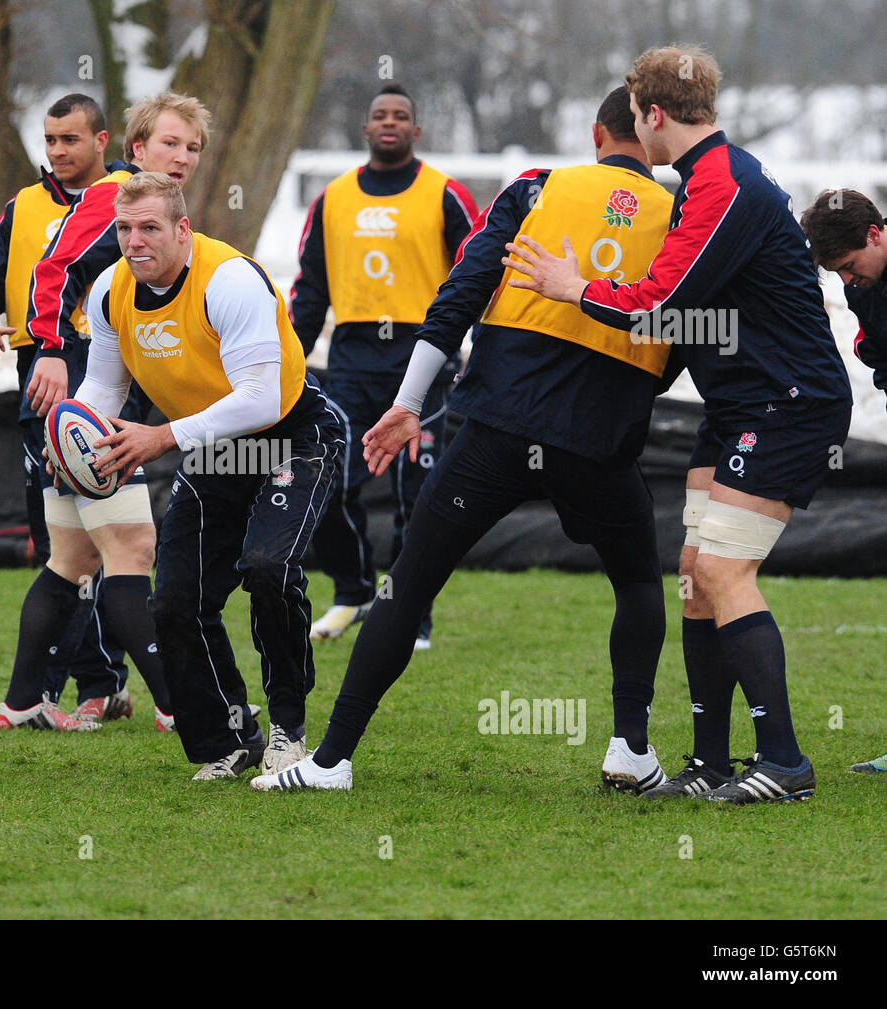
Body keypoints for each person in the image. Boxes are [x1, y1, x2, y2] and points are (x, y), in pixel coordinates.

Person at [251, 87, 675, 794]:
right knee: (637, 582)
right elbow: (686, 333)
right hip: (598, 438)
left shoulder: (539, 189)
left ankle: (330, 760)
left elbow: (458, 298)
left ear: (596, 132)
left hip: (496, 424)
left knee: (409, 583)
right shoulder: (682, 217)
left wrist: (408, 404)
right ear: (655, 139)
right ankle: (631, 748)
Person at [504, 46, 852, 804]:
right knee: (696, 579)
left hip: (789, 405)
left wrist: (572, 286)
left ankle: (785, 762)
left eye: (635, 117)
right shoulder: (703, 182)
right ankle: (709, 763)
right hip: (736, 405)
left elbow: (658, 304)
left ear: (653, 115)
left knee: (725, 573)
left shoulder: (724, 184)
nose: (635, 129)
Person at [71, 172, 343, 780]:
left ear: (182, 229)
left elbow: (261, 399)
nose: (134, 241)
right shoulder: (111, 290)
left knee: (269, 570)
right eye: (123, 228)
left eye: (149, 228)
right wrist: (75, 430)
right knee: (173, 600)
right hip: (216, 448)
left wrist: (161, 437)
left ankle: (288, 730)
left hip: (289, 436)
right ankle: (229, 737)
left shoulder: (227, 279)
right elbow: (105, 386)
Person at [0, 93, 212, 736]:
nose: (182, 157)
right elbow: (53, 272)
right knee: (132, 548)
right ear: (136, 147)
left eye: (193, 147)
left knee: (72, 557)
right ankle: (181, 706)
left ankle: (23, 701)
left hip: (94, 394)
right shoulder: (118, 197)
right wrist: (53, 352)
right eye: (170, 143)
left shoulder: (159, 212)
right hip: (81, 396)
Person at [0, 93, 137, 730]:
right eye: (50, 139)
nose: (57, 152)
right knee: (62, 543)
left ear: (103, 140)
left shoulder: (127, 203)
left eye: (71, 140)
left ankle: (97, 683)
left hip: (104, 370)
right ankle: (62, 690)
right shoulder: (22, 207)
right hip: (43, 374)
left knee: (109, 537)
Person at [290, 83, 478, 650]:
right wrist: (286, 362)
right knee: (330, 482)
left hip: (422, 359)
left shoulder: (446, 194)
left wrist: (483, 353)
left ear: (416, 131)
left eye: (401, 115)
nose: (389, 122)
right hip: (349, 359)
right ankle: (354, 590)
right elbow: (309, 290)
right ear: (366, 129)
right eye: (379, 115)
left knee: (415, 492)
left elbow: (478, 281)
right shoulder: (333, 199)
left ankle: (409, 611)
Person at [798, 187, 887, 778]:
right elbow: (870, 346)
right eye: (839, 275)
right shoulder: (861, 286)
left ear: (877, 235)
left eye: (851, 267)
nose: (848, 281)